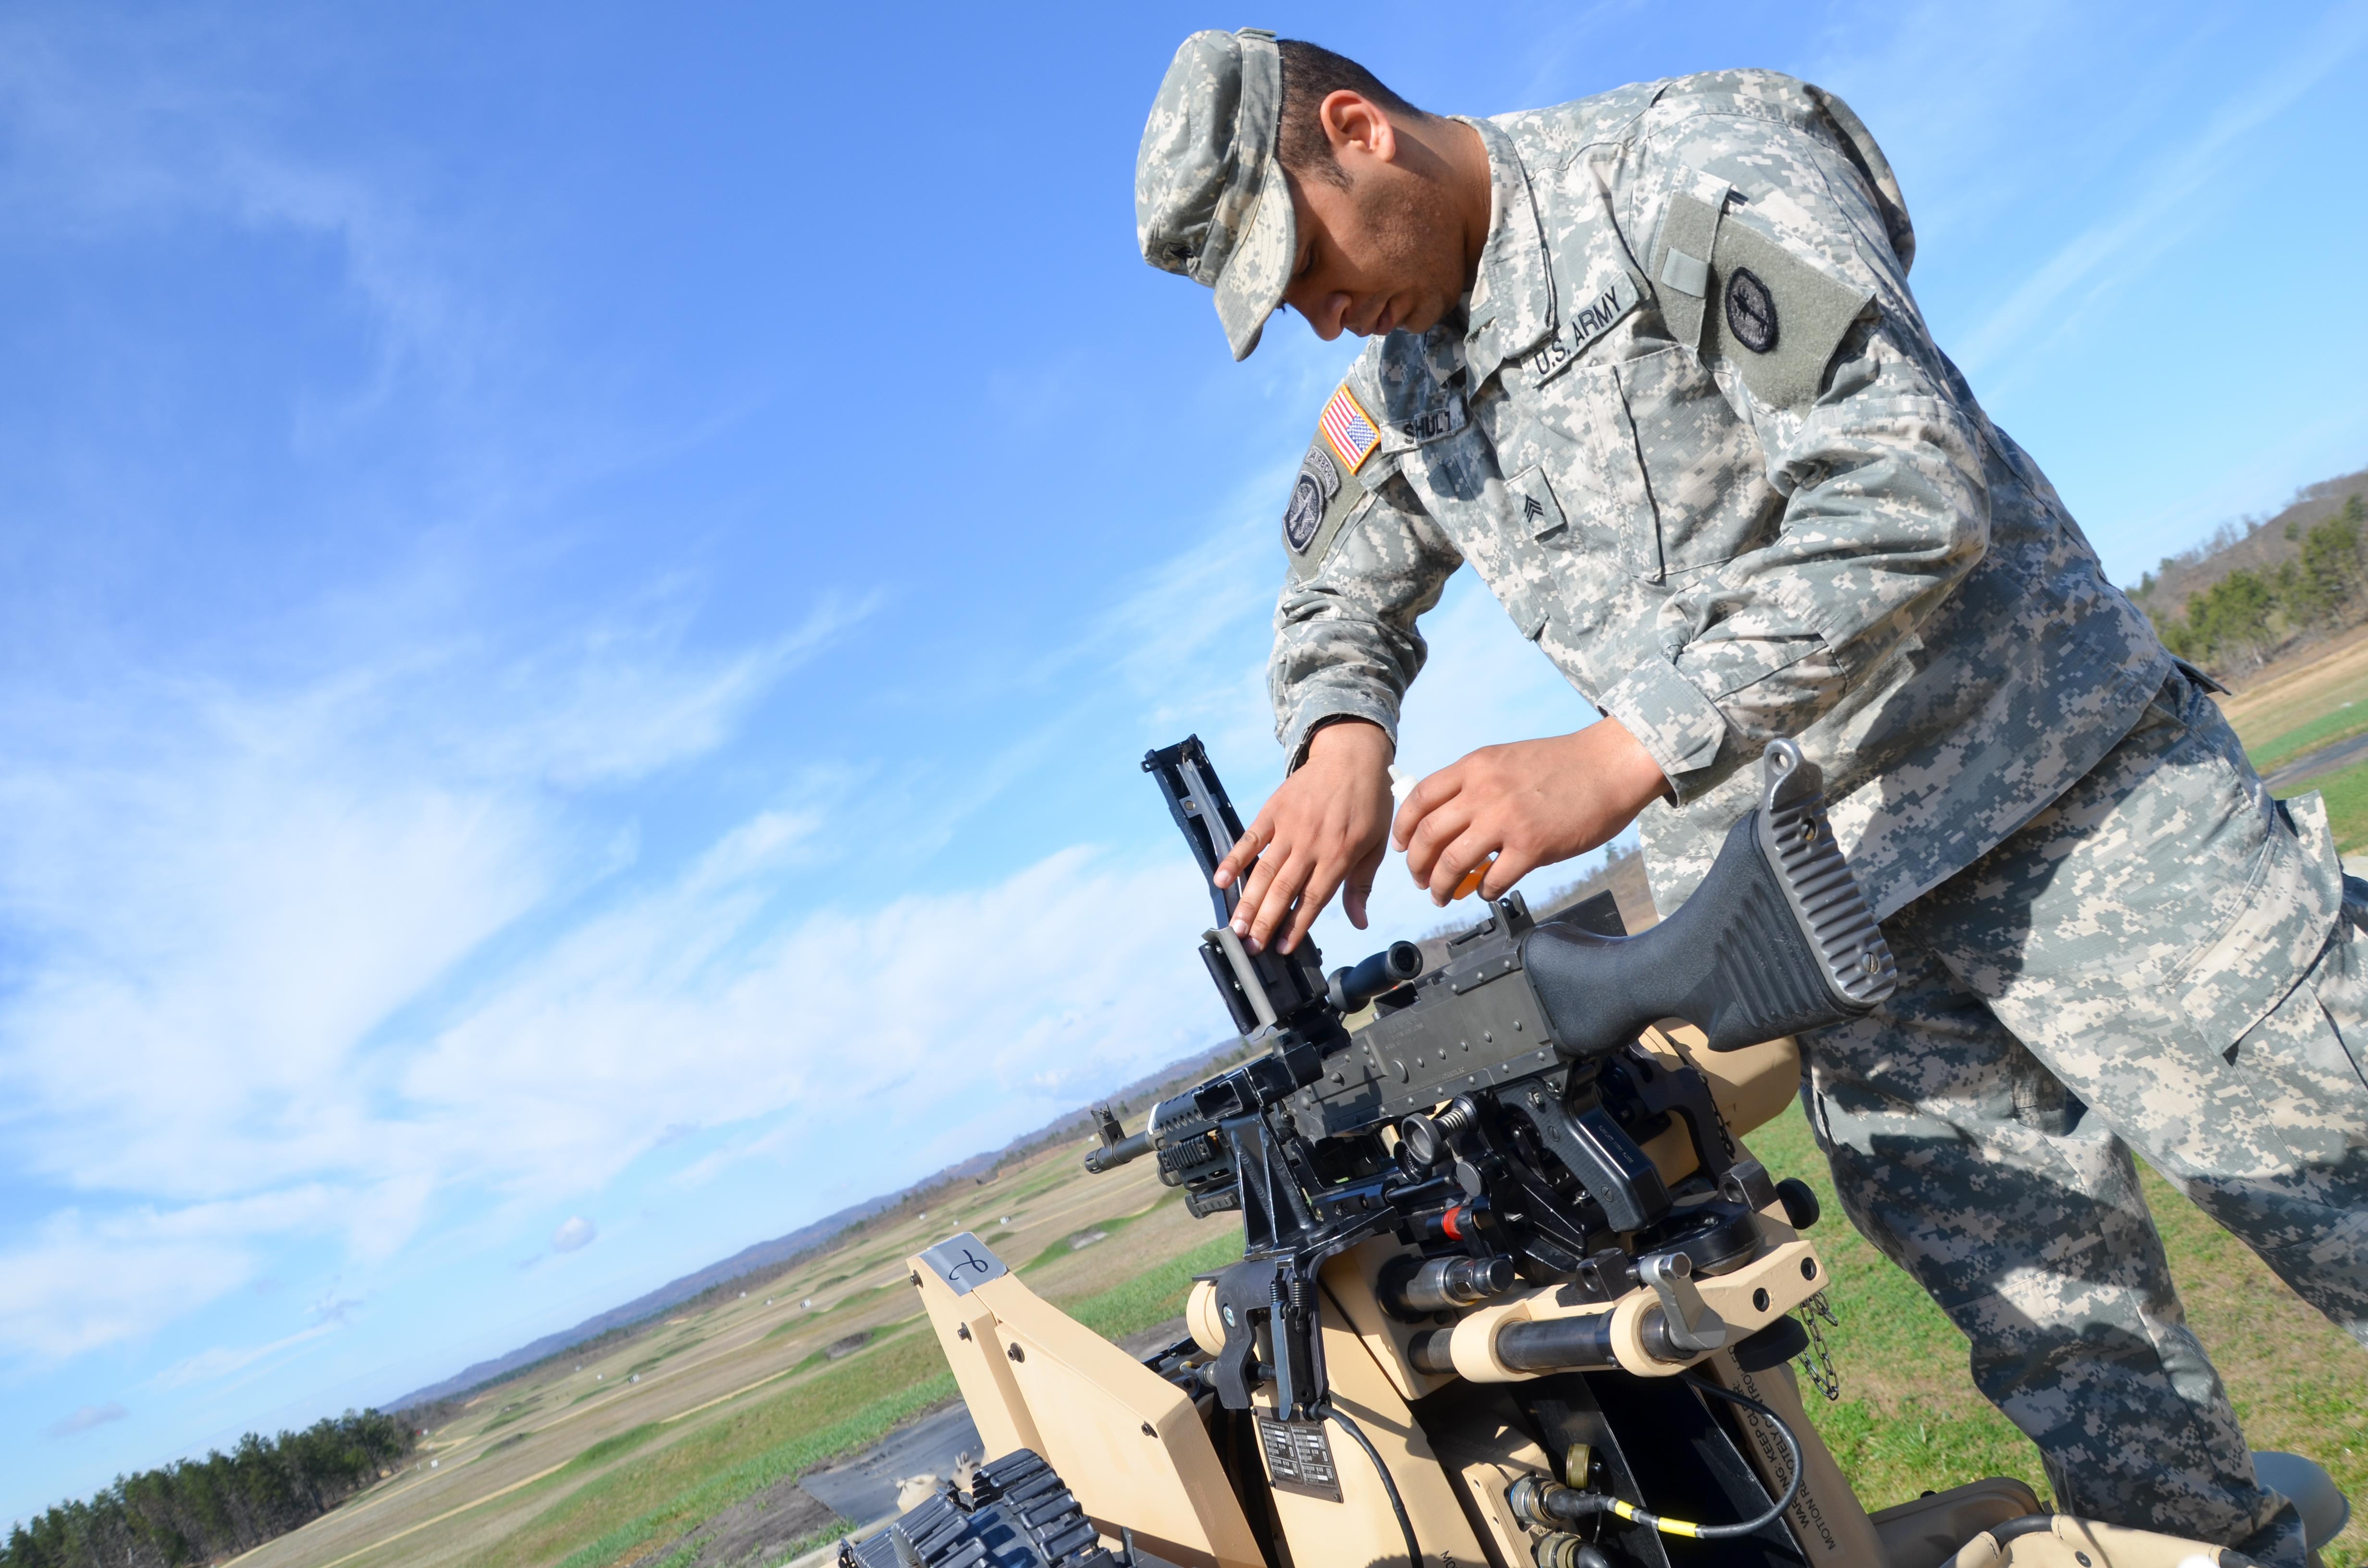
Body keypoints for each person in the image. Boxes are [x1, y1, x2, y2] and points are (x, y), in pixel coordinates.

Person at [1133, 30, 2368, 1566]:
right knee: (2085, 1375)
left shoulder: (1679, 167)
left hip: (2070, 822)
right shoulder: (1399, 388)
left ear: (1358, 130)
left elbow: (1905, 480)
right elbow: (1331, 591)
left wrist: (1621, 751)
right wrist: (1341, 738)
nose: (1319, 312)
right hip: (1826, 935)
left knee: (2343, 1179)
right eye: (1283, 303)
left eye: (1305, 260)